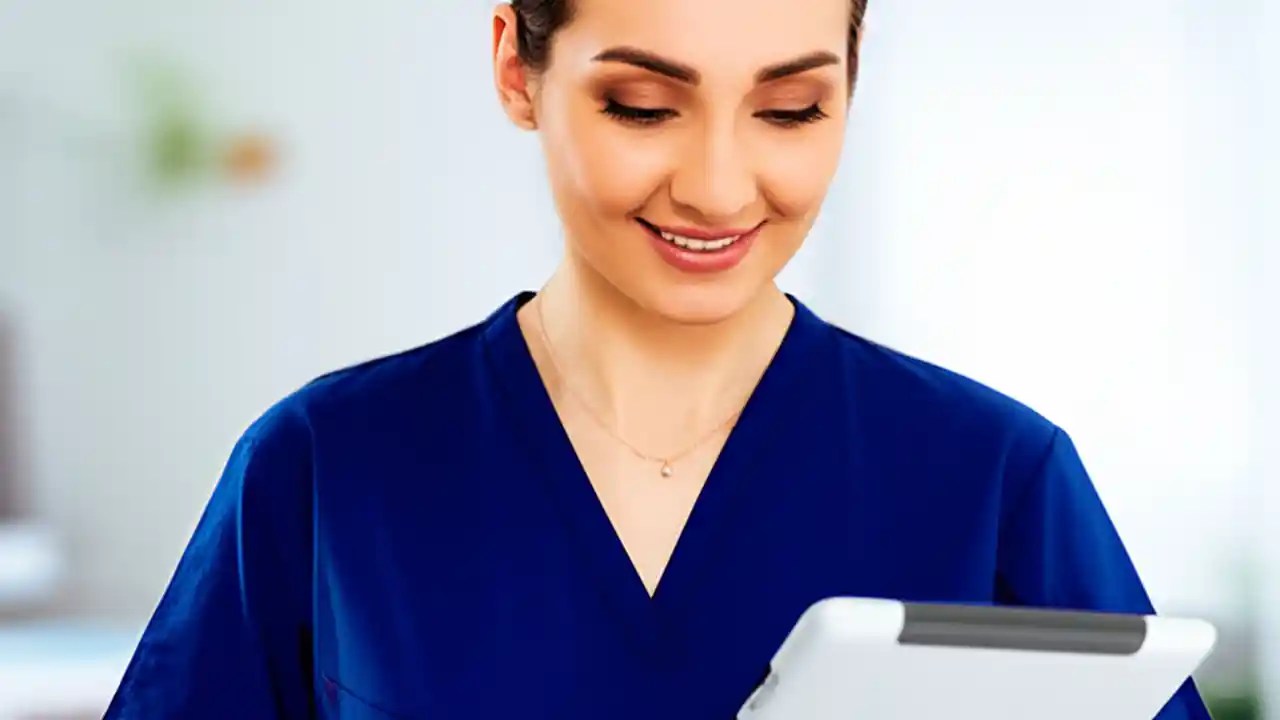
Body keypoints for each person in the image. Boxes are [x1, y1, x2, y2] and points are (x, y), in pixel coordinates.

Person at [105, 0, 1211, 718]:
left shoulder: (992, 480)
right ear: (514, 69)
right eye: (641, 106)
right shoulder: (325, 469)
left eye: (790, 109)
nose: (720, 189)